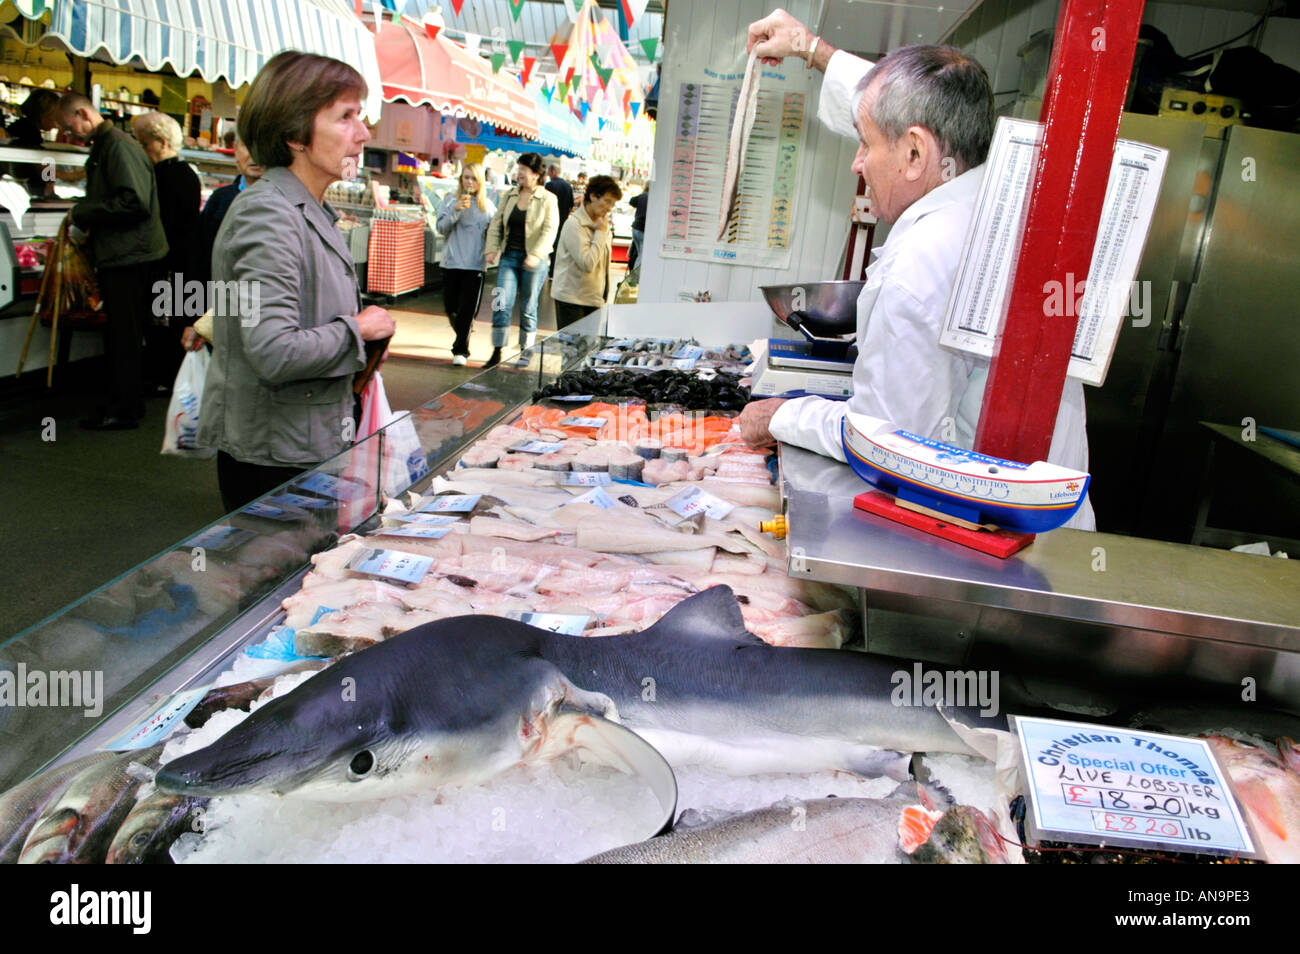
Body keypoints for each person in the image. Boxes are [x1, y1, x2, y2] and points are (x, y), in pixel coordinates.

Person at [738, 8, 1094, 530]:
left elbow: (892, 442)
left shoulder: (920, 261)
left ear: (913, 152)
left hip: (998, 544)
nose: (857, 162)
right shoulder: (992, 201)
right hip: (1048, 527)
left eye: (865, 143)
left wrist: (786, 415)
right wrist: (811, 49)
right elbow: (894, 103)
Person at [196, 50, 395, 512]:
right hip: (274, 458)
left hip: (304, 443)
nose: (363, 134)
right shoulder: (269, 213)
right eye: (346, 117)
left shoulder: (306, 208)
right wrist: (359, 330)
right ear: (295, 134)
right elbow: (273, 350)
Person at [57, 92, 168, 430]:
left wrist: (83, 211)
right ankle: (122, 402)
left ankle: (125, 407)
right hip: (127, 251)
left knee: (124, 334)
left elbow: (133, 202)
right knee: (124, 333)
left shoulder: (115, 145)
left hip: (127, 254)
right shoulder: (113, 144)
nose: (70, 134)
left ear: (82, 114)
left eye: (69, 126)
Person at [132, 111, 201, 394]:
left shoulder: (162, 176)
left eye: (142, 142)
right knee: (171, 317)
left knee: (163, 320)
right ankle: (167, 375)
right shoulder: (187, 173)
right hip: (182, 260)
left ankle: (164, 377)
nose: (139, 148)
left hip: (167, 261)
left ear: (160, 142)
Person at [482, 152, 558, 368]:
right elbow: (497, 223)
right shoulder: (509, 195)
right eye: (518, 170)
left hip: (534, 260)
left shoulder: (548, 199)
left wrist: (535, 255)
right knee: (501, 302)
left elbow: (550, 230)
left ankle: (526, 350)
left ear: (535, 174)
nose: (519, 174)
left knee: (528, 306)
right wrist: (491, 249)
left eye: (523, 170)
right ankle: (497, 350)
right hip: (509, 258)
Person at [432, 162, 495, 365]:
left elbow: (494, 232)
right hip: (451, 262)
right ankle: (463, 330)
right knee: (451, 306)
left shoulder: (488, 207)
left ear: (480, 182)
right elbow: (441, 227)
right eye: (466, 177)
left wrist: (493, 251)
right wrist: (455, 211)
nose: (469, 182)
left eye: (473, 178)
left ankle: (461, 349)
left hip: (475, 264)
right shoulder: (450, 200)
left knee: (468, 309)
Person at [552, 174, 621, 329]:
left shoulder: (600, 225)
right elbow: (587, 263)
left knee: (586, 351)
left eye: (612, 204)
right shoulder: (575, 225)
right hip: (572, 300)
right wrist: (601, 233)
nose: (609, 208)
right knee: (573, 352)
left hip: (592, 299)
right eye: (607, 201)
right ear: (593, 196)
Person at [543, 162, 574, 276]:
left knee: (546, 243)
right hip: (562, 221)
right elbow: (571, 205)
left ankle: (545, 271)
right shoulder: (568, 186)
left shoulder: (550, 185)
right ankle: (553, 272)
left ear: (553, 171)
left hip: (549, 220)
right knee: (557, 248)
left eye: (549, 172)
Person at [627, 183, 648, 272]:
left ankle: (634, 272)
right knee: (642, 254)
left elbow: (632, 201)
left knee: (638, 252)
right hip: (643, 228)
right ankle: (636, 275)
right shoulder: (652, 197)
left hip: (636, 227)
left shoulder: (642, 196)